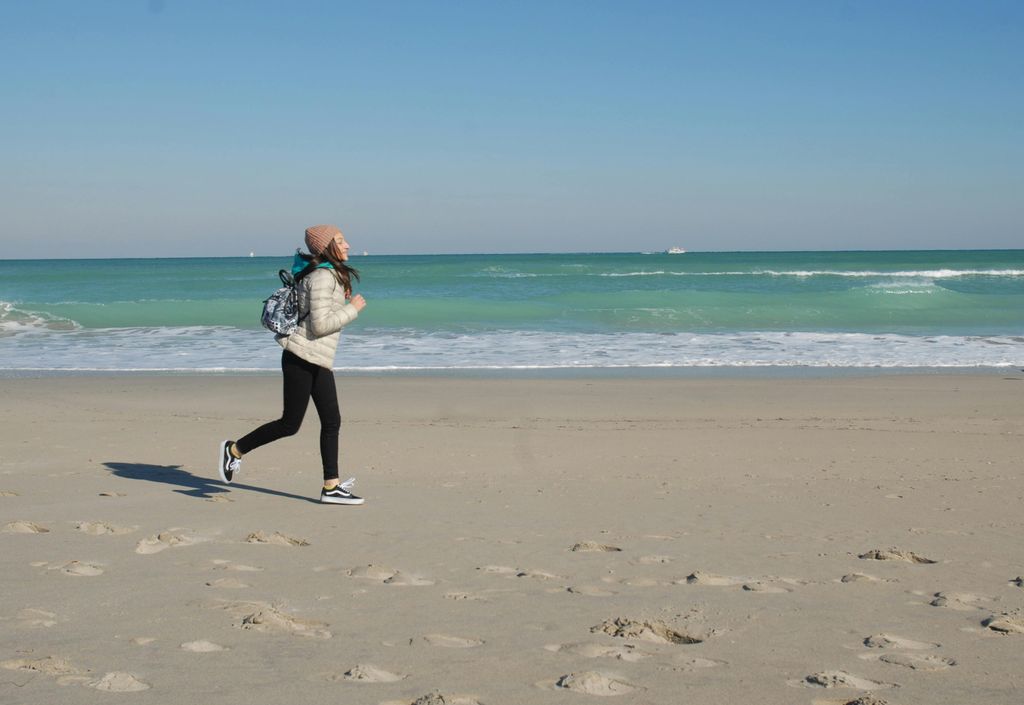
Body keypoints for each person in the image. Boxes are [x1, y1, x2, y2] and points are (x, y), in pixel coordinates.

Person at [218, 224, 367, 504]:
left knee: (331, 421)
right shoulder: (323, 276)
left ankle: (331, 487)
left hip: (315, 357)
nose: (348, 245)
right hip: (301, 357)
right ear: (327, 247)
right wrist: (352, 310)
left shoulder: (326, 274)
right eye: (341, 240)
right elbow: (321, 325)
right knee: (290, 423)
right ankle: (234, 450)